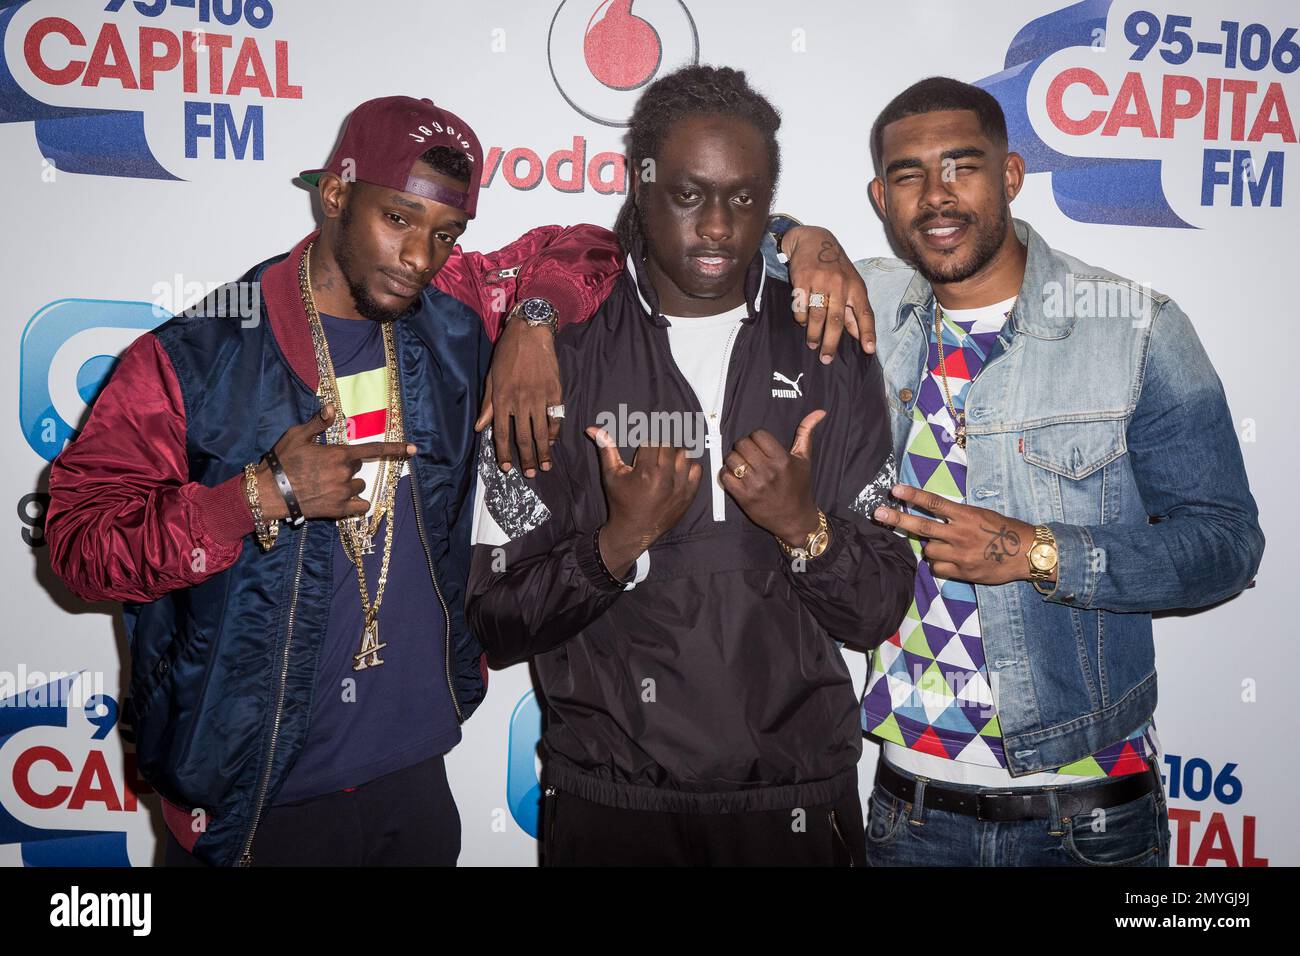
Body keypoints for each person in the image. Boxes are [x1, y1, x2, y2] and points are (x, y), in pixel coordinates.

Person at [44, 95, 624, 867]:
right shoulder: (195, 359)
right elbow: (81, 548)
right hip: (255, 800)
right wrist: (255, 498)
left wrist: (534, 318)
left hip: (412, 779)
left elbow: (587, 247)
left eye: (445, 233)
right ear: (336, 195)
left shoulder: (452, 312)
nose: (419, 257)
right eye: (398, 219)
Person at [773, 77, 1265, 866]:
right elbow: (722, 237)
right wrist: (807, 239)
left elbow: (1228, 546)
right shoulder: (867, 303)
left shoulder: (1135, 329)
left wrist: (1040, 552)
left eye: (962, 167)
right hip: (908, 811)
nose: (937, 196)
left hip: (1087, 817)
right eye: (909, 176)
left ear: (1010, 176)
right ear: (881, 198)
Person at [466, 65, 916, 866]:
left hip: (795, 802)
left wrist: (805, 530)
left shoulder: (830, 345)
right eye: (687, 195)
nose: (716, 227)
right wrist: (613, 547)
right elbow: (495, 619)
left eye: (743, 198)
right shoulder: (553, 361)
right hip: (611, 803)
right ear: (640, 188)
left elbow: (879, 607)